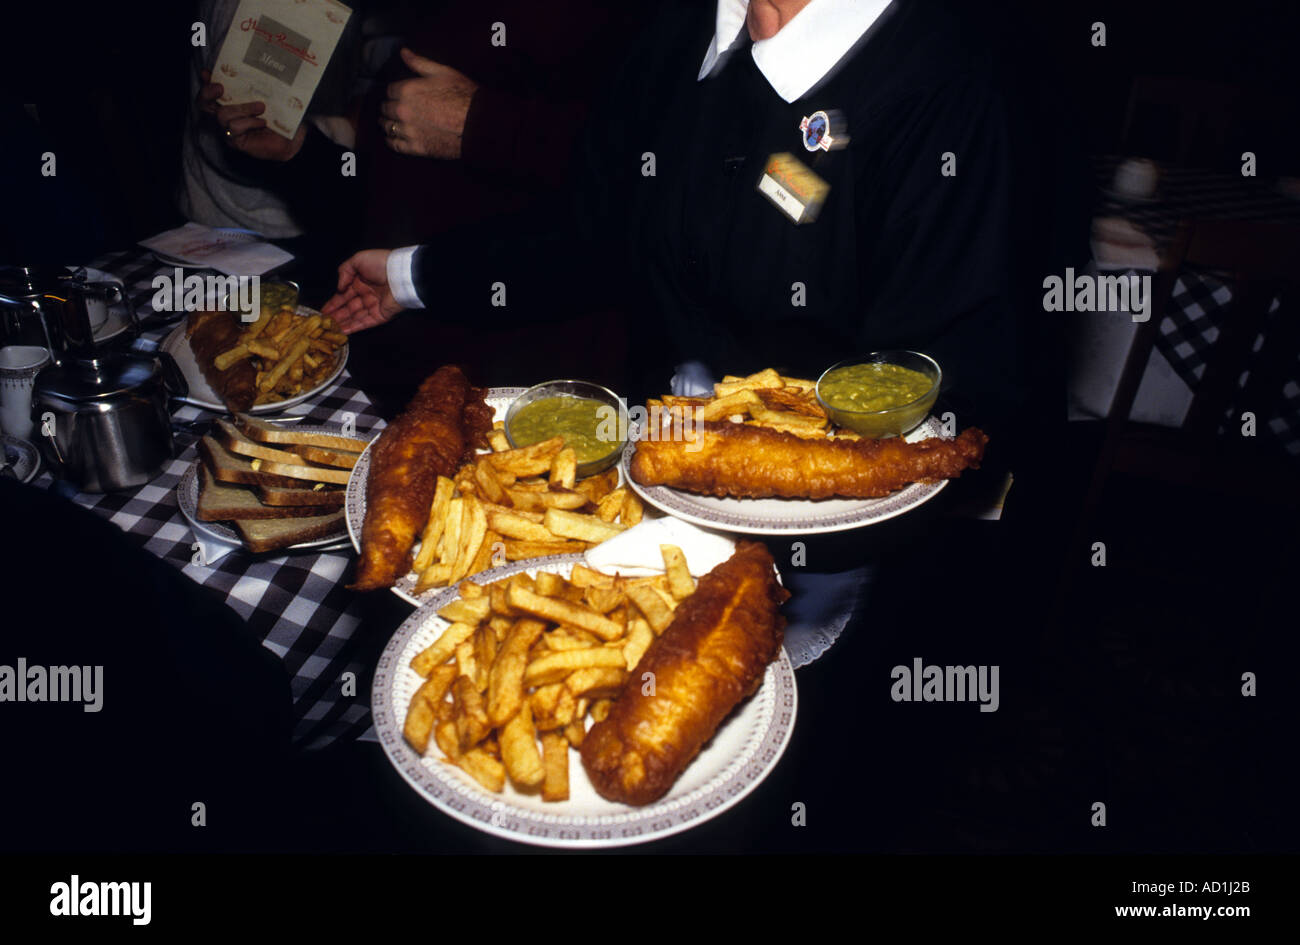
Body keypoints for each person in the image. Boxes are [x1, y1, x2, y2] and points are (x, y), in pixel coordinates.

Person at [322, 0, 1084, 462]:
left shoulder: (967, 91)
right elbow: (606, 224)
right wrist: (411, 276)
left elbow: (949, 394)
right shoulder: (681, 32)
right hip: (657, 481)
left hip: (839, 550)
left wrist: (737, 506)